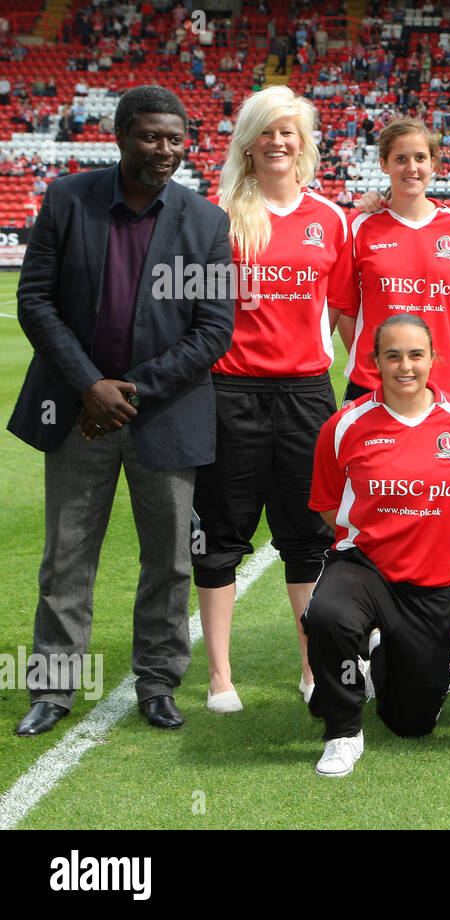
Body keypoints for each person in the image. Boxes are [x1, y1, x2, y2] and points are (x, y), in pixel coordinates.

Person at [9, 85, 235, 735]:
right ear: (120, 135)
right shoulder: (67, 200)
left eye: (174, 138)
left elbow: (212, 330)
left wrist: (128, 390)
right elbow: (36, 304)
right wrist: (90, 386)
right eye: (150, 136)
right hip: (80, 412)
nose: (164, 150)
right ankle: (53, 689)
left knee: (168, 559)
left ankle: (159, 682)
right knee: (67, 556)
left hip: (163, 414)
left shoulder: (205, 222)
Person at [196, 86, 355, 712]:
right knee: (221, 532)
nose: (278, 142)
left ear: (304, 142)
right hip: (229, 389)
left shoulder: (332, 219)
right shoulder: (218, 215)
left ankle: (313, 665)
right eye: (266, 132)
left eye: (288, 131)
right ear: (248, 141)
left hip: (305, 394)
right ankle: (219, 675)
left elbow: (343, 310)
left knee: (306, 532)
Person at [304, 315, 450, 776]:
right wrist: (381, 531)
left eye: (415, 355)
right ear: (373, 362)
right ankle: (343, 731)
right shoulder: (345, 424)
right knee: (328, 614)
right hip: (363, 565)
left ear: (433, 359)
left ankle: (383, 657)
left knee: (413, 723)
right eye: (392, 356)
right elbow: (328, 507)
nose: (404, 366)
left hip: (429, 579)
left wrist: (424, 527)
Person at [342, 118, 450, 403]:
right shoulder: (359, 226)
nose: (411, 167)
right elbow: (347, 311)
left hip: (441, 382)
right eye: (400, 158)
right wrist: (377, 358)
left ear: (434, 165)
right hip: (373, 380)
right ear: (384, 164)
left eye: (420, 158)